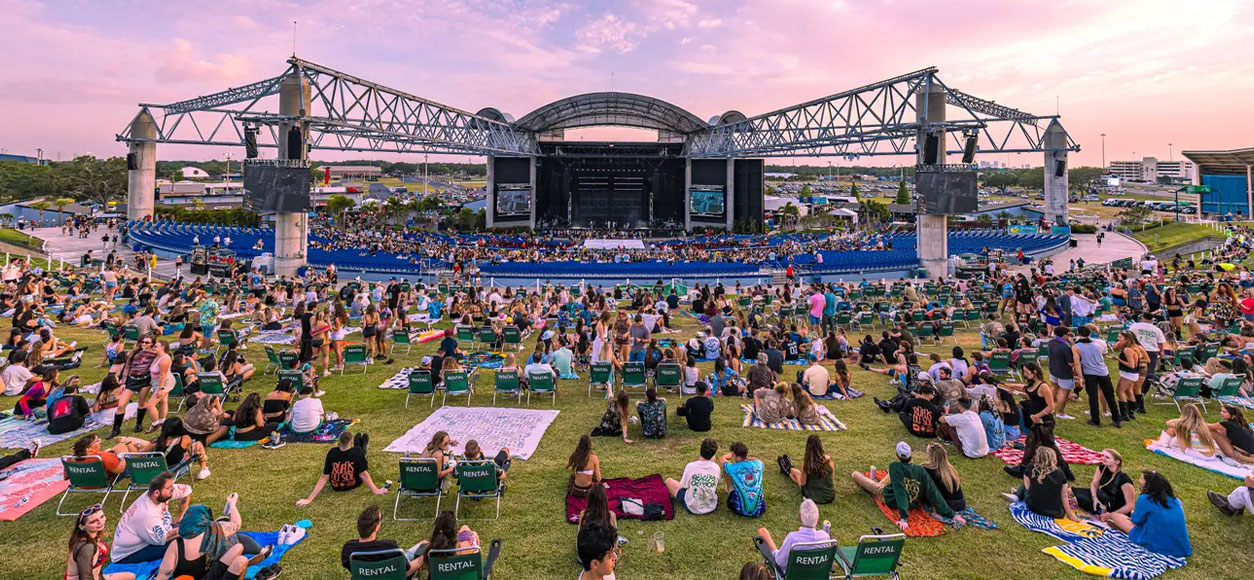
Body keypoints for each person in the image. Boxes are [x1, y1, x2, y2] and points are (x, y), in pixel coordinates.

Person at [850, 442, 964, 531]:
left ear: (897, 455)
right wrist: (952, 515)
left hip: (890, 497)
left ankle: (875, 482)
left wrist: (903, 518)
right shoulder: (920, 470)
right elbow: (933, 492)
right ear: (910, 456)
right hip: (913, 503)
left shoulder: (895, 467)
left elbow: (900, 493)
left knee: (857, 475)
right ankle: (878, 483)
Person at [154, 499, 272, 580]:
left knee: (238, 547)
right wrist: (232, 504)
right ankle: (252, 558)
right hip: (211, 576)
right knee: (241, 559)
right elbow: (236, 524)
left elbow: (164, 574)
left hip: (204, 575)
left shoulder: (176, 544)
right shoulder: (212, 531)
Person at [1101, 471, 1192, 558]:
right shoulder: (1176, 500)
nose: (1139, 481)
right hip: (1182, 548)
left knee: (1115, 515)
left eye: (1141, 479)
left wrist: (1112, 515)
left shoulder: (1145, 499)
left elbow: (1136, 521)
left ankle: (1112, 519)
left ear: (1148, 484)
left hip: (1157, 545)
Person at [112, 471, 194, 564]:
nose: (173, 489)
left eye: (172, 485)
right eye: (169, 488)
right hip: (130, 553)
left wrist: (180, 516)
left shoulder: (160, 494)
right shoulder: (146, 514)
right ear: (156, 492)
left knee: (186, 532)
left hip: (151, 535)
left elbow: (186, 490)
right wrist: (185, 529)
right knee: (179, 545)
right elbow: (164, 539)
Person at [295, 431, 387, 506]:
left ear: (339, 443)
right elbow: (363, 474)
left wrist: (309, 499)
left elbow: (324, 477)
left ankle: (360, 443)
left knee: (357, 453)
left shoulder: (332, 452)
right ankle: (361, 446)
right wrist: (376, 490)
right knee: (360, 453)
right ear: (350, 442)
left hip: (336, 487)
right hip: (354, 483)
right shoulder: (356, 452)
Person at [340, 505, 423, 578]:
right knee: (424, 545)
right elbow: (405, 572)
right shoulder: (391, 548)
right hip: (393, 572)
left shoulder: (348, 550)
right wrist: (423, 557)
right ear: (376, 528)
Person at [756, 498, 832, 570]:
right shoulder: (825, 537)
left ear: (799, 516)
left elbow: (780, 562)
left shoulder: (793, 539)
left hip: (792, 575)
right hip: (817, 575)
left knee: (763, 532)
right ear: (818, 519)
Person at [1004, 447, 1076, 521]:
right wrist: (1070, 515)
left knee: (1028, 485)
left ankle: (1018, 495)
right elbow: (1064, 496)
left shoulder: (1030, 467)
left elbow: (1027, 487)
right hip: (1055, 512)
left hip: (1034, 507)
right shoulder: (1060, 473)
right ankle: (1018, 494)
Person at [66, 504, 133, 580]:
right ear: (82, 526)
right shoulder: (86, 547)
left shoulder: (93, 536)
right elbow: (85, 578)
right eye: (93, 522)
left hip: (97, 576)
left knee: (130, 576)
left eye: (102, 517)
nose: (100, 522)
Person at [1072, 449, 1135, 516]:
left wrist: (1111, 515)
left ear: (1116, 462)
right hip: (1102, 497)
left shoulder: (1124, 480)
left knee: (1075, 499)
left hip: (1114, 506)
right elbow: (1094, 484)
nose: (1103, 459)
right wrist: (1095, 498)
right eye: (1103, 456)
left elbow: (1130, 505)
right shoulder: (1101, 468)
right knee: (1070, 491)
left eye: (1107, 457)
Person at [666, 438, 721, 515]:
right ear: (713, 454)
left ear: (700, 450)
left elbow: (684, 486)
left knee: (669, 481)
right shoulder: (716, 468)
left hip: (693, 507)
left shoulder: (691, 466)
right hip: (711, 506)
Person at [777, 434, 835, 504]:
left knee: (797, 474)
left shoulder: (807, 464)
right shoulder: (829, 460)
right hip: (830, 496)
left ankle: (789, 468)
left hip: (813, 498)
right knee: (798, 474)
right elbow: (831, 478)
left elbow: (803, 483)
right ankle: (788, 468)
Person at [720, 441, 765, 517]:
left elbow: (722, 459)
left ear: (738, 457)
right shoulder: (758, 465)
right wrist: (748, 458)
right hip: (759, 509)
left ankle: (730, 489)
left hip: (739, 508)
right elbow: (760, 461)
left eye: (733, 454)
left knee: (726, 470)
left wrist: (730, 455)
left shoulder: (732, 468)